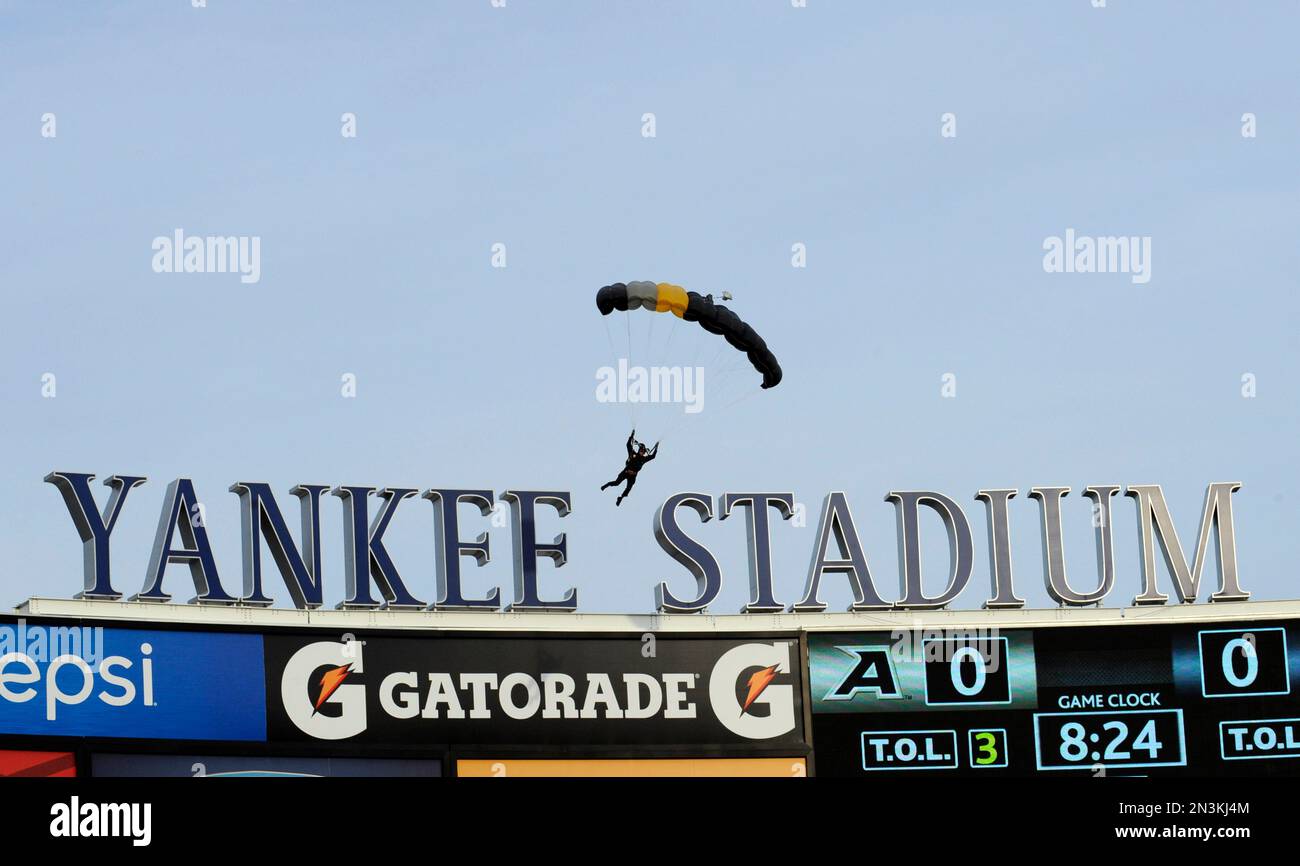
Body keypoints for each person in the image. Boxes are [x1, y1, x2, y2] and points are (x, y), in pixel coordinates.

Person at [601, 429, 659, 506]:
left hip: (633, 476)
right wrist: (631, 436)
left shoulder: (644, 459)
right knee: (616, 483)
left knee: (628, 489)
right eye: (641, 450)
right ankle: (607, 485)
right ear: (639, 450)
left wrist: (656, 447)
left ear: (644, 452)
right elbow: (628, 445)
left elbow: (653, 456)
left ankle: (620, 498)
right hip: (626, 472)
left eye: (643, 451)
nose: (642, 452)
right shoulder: (632, 453)